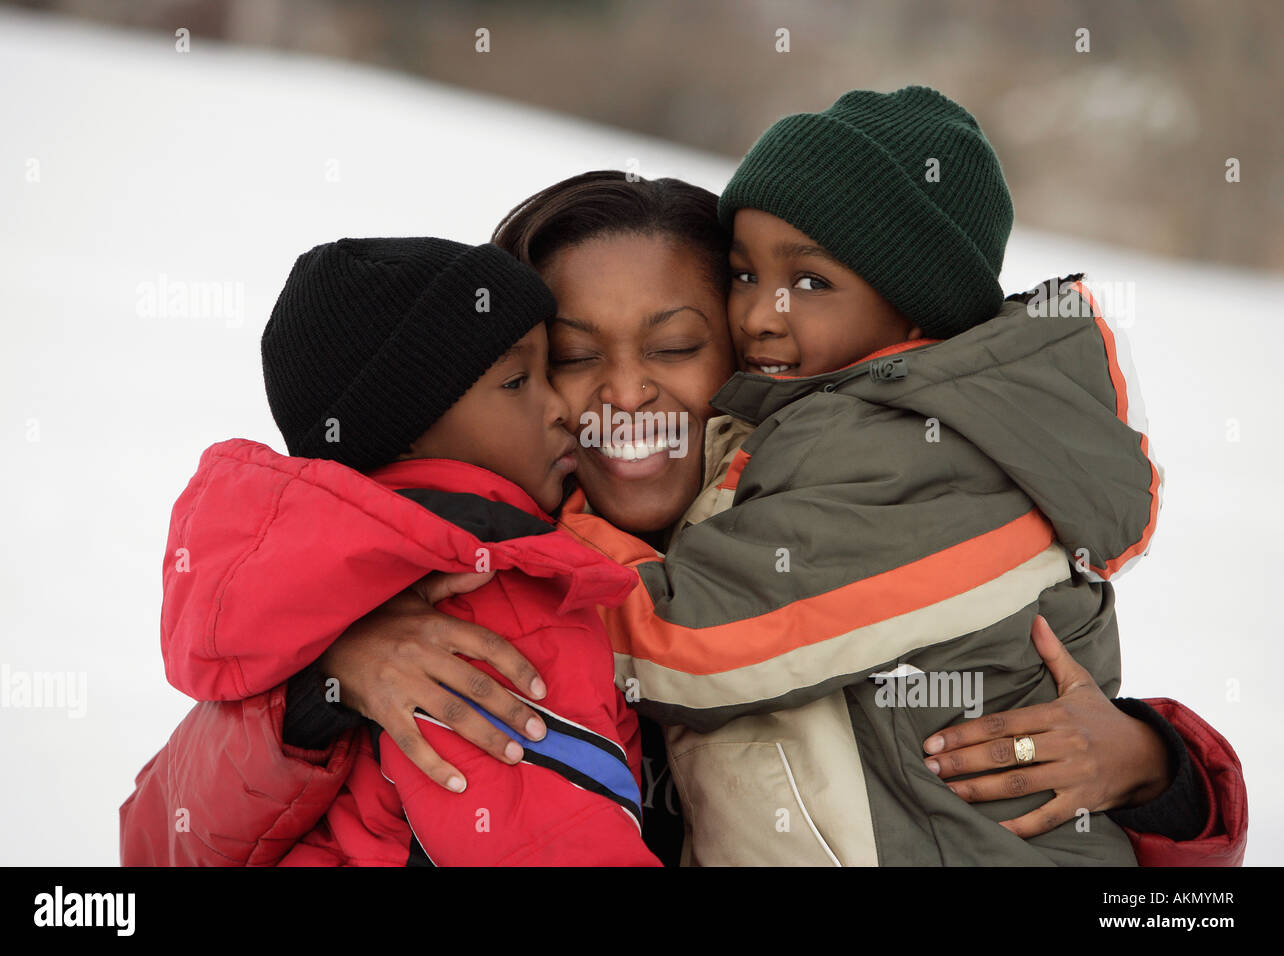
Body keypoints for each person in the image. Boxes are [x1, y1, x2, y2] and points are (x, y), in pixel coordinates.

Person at [121, 175, 1245, 867]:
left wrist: (1158, 767)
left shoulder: (825, 521)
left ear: (745, 347)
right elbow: (154, 843)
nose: (622, 393)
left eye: (673, 344)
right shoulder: (442, 579)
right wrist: (326, 682)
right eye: (568, 357)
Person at [564, 86, 1160, 864]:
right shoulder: (807, 424)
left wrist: (534, 544)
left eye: (810, 283)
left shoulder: (922, 456)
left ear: (916, 310)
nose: (760, 315)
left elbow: (685, 647)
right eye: (743, 274)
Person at [123, 237, 659, 866]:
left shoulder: (325, 597)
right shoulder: (493, 599)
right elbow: (546, 846)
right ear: (404, 433)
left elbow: (150, 842)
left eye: (550, 372)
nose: (563, 407)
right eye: (518, 381)